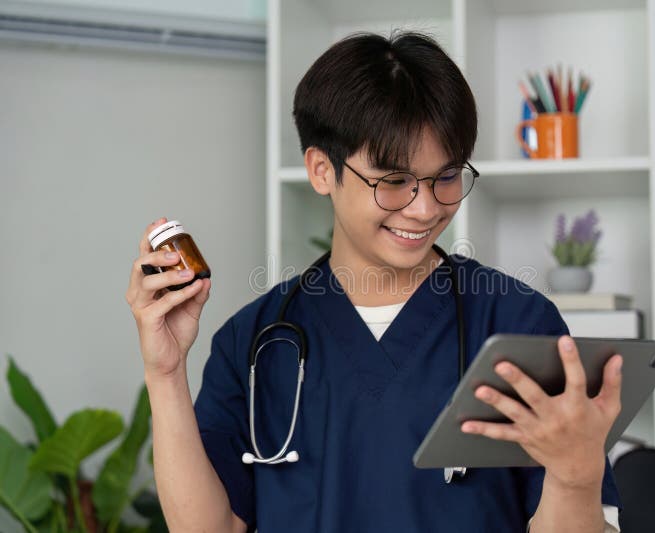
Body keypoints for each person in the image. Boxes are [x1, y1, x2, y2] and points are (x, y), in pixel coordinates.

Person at [126, 31, 623, 533]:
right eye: (394, 182)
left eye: (446, 176)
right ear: (322, 171)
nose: (426, 208)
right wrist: (165, 374)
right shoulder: (253, 341)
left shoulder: (517, 322)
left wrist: (577, 476)